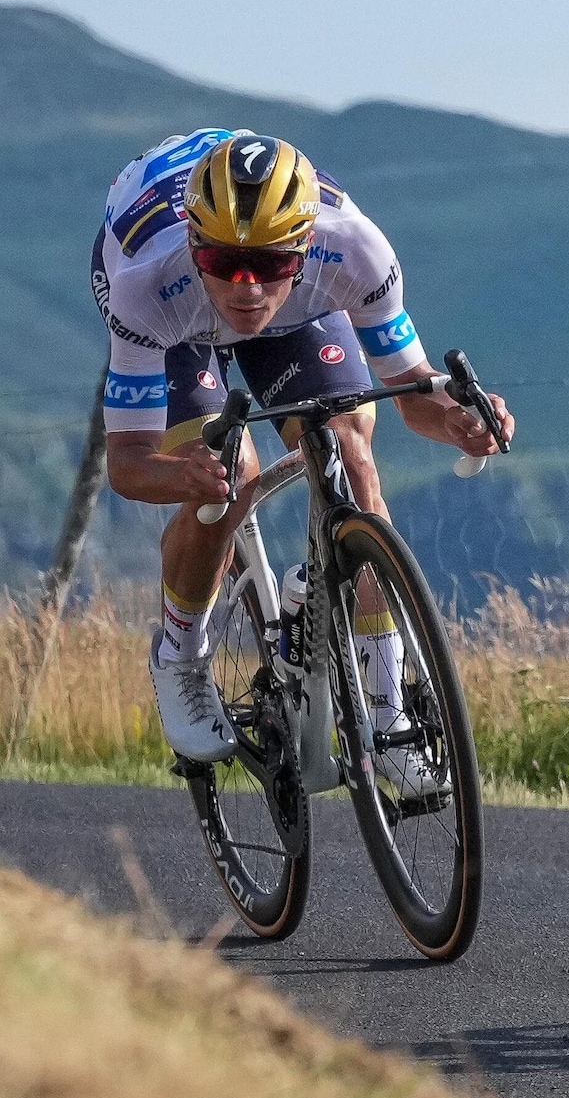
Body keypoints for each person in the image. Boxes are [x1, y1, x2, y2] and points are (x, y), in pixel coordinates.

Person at [92, 129, 513, 783]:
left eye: (271, 265)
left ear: (306, 246)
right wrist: (184, 473)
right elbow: (127, 461)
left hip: (301, 315)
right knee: (229, 477)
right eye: (228, 262)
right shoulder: (149, 282)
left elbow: (414, 392)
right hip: (176, 318)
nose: (249, 288)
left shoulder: (355, 251)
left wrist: (460, 420)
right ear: (197, 246)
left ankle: (386, 712)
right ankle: (180, 655)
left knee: (351, 452)